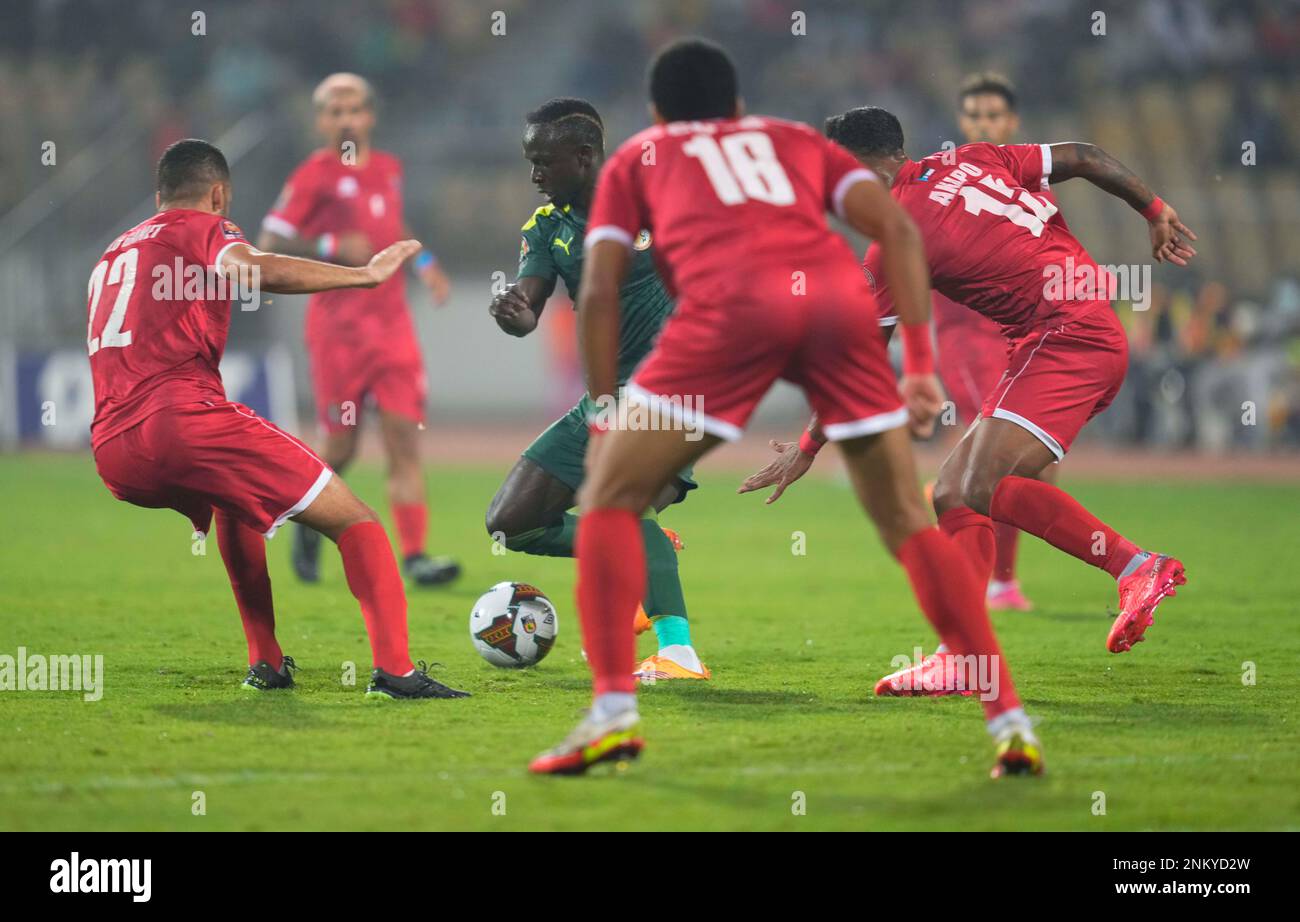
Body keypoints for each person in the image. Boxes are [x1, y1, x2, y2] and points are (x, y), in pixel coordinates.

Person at [528, 39, 1039, 779]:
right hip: (832, 306)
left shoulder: (639, 157)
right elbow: (897, 229)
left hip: (731, 311)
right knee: (907, 522)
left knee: (608, 498)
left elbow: (600, 291)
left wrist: (606, 409)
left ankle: (611, 713)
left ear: (657, 112)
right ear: (738, 106)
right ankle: (1012, 723)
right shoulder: (794, 141)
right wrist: (921, 366)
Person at [743, 106, 1194, 695]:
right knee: (960, 490)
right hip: (1077, 332)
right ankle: (963, 655)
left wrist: (806, 448)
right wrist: (1154, 210)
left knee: (969, 488)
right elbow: (1084, 155)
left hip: (1066, 339)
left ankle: (1136, 567)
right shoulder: (977, 157)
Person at [90, 139, 468, 700]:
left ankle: (266, 662)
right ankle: (397, 672)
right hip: (179, 419)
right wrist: (361, 274)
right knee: (356, 521)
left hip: (112, 451)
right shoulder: (204, 228)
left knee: (235, 504)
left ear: (159, 195)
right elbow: (254, 268)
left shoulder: (114, 251)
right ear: (218, 194)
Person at [485, 97, 708, 681]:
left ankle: (678, 652)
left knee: (623, 502)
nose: (533, 176)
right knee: (511, 522)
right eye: (529, 162)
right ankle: (643, 553)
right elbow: (529, 305)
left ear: (584, 158)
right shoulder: (547, 226)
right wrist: (513, 313)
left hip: (671, 388)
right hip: (603, 397)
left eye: (543, 162)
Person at [258, 72, 458, 587]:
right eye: (334, 110)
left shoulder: (389, 169)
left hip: (392, 330)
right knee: (341, 447)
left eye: (354, 109)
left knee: (403, 441)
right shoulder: (312, 176)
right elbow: (267, 239)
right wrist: (328, 248)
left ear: (370, 115)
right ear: (320, 120)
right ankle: (308, 519)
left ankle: (415, 557)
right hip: (337, 332)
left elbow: (394, 227)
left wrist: (426, 260)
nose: (345, 119)